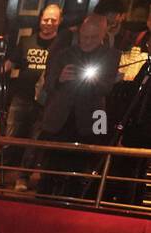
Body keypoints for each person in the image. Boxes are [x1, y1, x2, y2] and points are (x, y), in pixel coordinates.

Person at [37, 15, 121, 197]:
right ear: (80, 33)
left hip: (93, 117)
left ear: (102, 36)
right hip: (59, 117)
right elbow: (48, 85)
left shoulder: (111, 55)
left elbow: (105, 88)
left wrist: (89, 78)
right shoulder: (64, 54)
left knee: (83, 170)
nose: (88, 41)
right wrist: (60, 79)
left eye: (93, 37)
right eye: (85, 37)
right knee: (50, 170)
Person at [0, 3, 65, 190]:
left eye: (53, 20)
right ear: (40, 19)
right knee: (10, 137)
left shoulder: (61, 46)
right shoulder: (27, 41)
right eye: (46, 19)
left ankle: (23, 177)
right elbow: (10, 63)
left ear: (59, 22)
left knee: (34, 142)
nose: (49, 23)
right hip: (21, 96)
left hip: (45, 101)